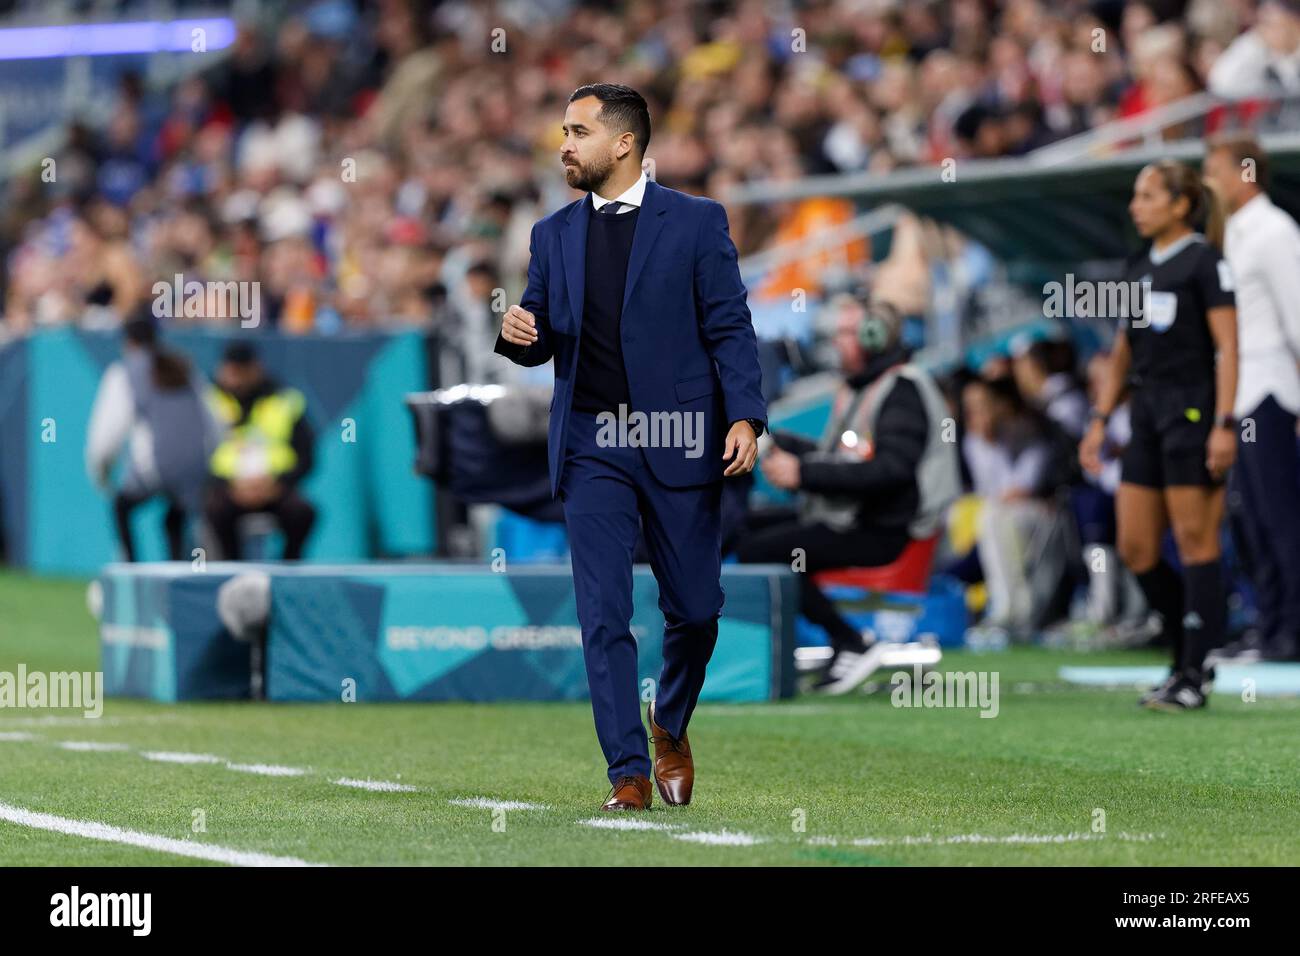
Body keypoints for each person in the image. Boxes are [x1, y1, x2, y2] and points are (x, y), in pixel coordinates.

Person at [494, 84, 766, 812]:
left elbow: (730, 328)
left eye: (578, 131)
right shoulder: (552, 234)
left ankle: (669, 725)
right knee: (604, 612)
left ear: (625, 144)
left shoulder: (698, 222)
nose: (564, 144)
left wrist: (745, 416)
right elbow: (541, 328)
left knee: (698, 610)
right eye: (562, 130)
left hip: (680, 437)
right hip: (592, 443)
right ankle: (628, 772)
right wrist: (518, 334)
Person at [735, 295, 958, 694]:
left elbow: (890, 473)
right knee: (741, 526)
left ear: (875, 337)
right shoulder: (865, 387)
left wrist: (803, 473)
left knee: (760, 550)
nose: (837, 342)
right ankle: (835, 640)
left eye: (847, 333)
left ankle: (849, 640)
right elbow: (843, 460)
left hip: (886, 531)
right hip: (859, 519)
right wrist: (786, 447)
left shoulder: (901, 390)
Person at [1080, 159, 1238, 711]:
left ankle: (1196, 668)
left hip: (1192, 410)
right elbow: (1123, 349)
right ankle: (1183, 651)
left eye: (1148, 196)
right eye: (1135, 196)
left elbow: (1226, 349)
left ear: (1179, 204)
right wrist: (1100, 420)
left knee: (1197, 541)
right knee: (1136, 546)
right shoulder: (1138, 263)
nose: (1135, 206)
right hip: (1145, 411)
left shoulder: (1205, 262)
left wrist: (1224, 423)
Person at [1202, 134, 1300, 662]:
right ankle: (1270, 623)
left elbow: (1297, 316)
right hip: (1239, 393)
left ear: (1244, 173)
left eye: (1214, 170)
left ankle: (1291, 630)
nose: (1208, 182)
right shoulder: (1233, 234)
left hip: (1269, 388)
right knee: (1250, 516)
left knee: (1280, 515)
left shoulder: (1274, 230)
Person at [86, 314, 218, 560]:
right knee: (174, 517)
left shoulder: (125, 372)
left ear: (128, 343)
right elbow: (215, 424)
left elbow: (106, 436)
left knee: (122, 507)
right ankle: (176, 573)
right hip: (196, 469)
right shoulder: (186, 369)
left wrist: (102, 476)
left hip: (157, 469)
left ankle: (131, 570)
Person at [204, 342, 318, 560]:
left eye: (240, 372)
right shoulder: (209, 401)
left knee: (302, 512)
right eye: (230, 371)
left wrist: (278, 483)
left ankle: (288, 569)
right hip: (229, 489)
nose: (234, 379)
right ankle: (232, 569)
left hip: (275, 488)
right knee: (215, 510)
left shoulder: (286, 400)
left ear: (255, 369)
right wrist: (230, 484)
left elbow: (307, 456)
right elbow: (195, 457)